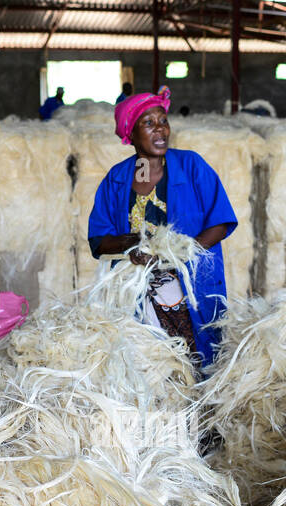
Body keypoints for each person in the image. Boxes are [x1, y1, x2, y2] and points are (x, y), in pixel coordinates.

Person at [87, 89, 237, 372]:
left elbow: (220, 221)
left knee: (199, 363)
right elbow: (99, 240)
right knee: (148, 369)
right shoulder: (116, 180)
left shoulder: (191, 166)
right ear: (130, 134)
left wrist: (179, 252)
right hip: (138, 295)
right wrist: (132, 245)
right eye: (149, 123)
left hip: (190, 289)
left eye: (163, 121)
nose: (160, 129)